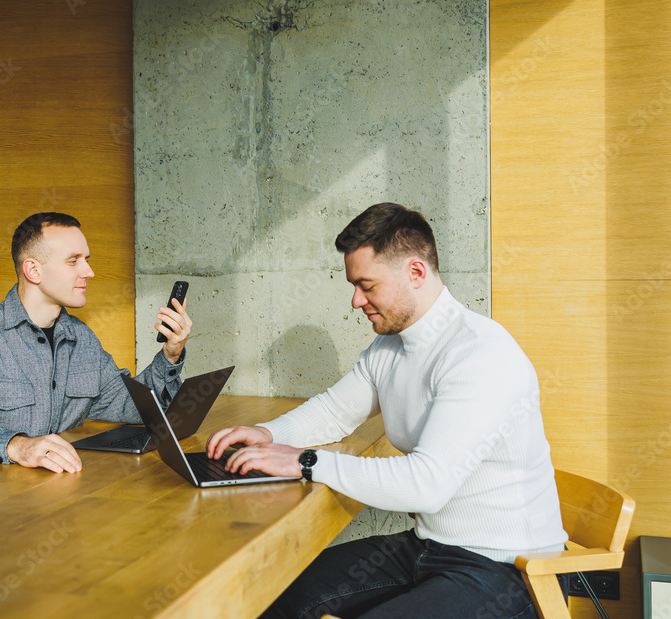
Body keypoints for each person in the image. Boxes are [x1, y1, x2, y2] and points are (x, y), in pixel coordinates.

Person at [207, 203, 567, 618]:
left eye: (367, 286)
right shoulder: (390, 345)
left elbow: (426, 485)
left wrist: (306, 462)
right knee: (271, 592)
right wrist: (268, 434)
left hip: (508, 570)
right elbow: (335, 412)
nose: (356, 300)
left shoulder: (480, 354)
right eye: (354, 286)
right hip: (430, 548)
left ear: (415, 272)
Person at [0, 212, 192, 478]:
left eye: (86, 260)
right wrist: (17, 446)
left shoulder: (82, 339)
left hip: (37, 494)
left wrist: (170, 354)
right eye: (73, 261)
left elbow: (131, 405)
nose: (89, 272)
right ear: (33, 270)